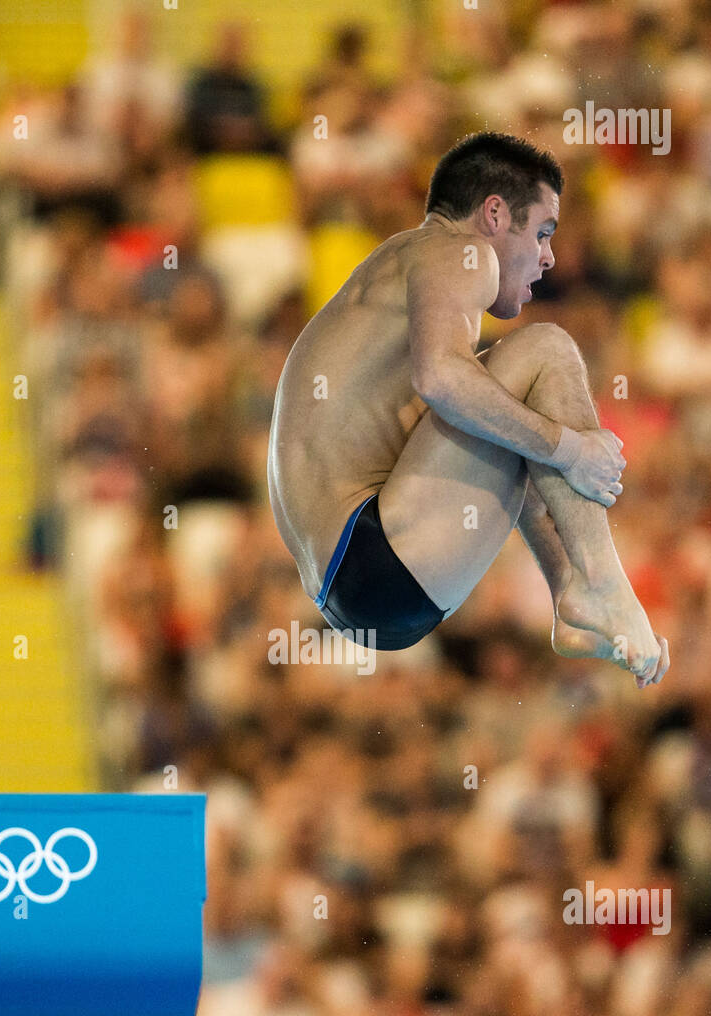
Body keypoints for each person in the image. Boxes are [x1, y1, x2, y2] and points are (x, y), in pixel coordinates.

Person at [268, 132, 669, 686]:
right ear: (495, 214)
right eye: (544, 232)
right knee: (545, 349)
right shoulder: (461, 251)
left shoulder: (402, 267)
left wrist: (552, 451)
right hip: (373, 554)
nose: (549, 257)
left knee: (505, 409)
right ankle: (601, 584)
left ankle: (572, 593)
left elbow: (482, 417)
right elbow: (439, 378)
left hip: (355, 582)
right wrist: (573, 448)